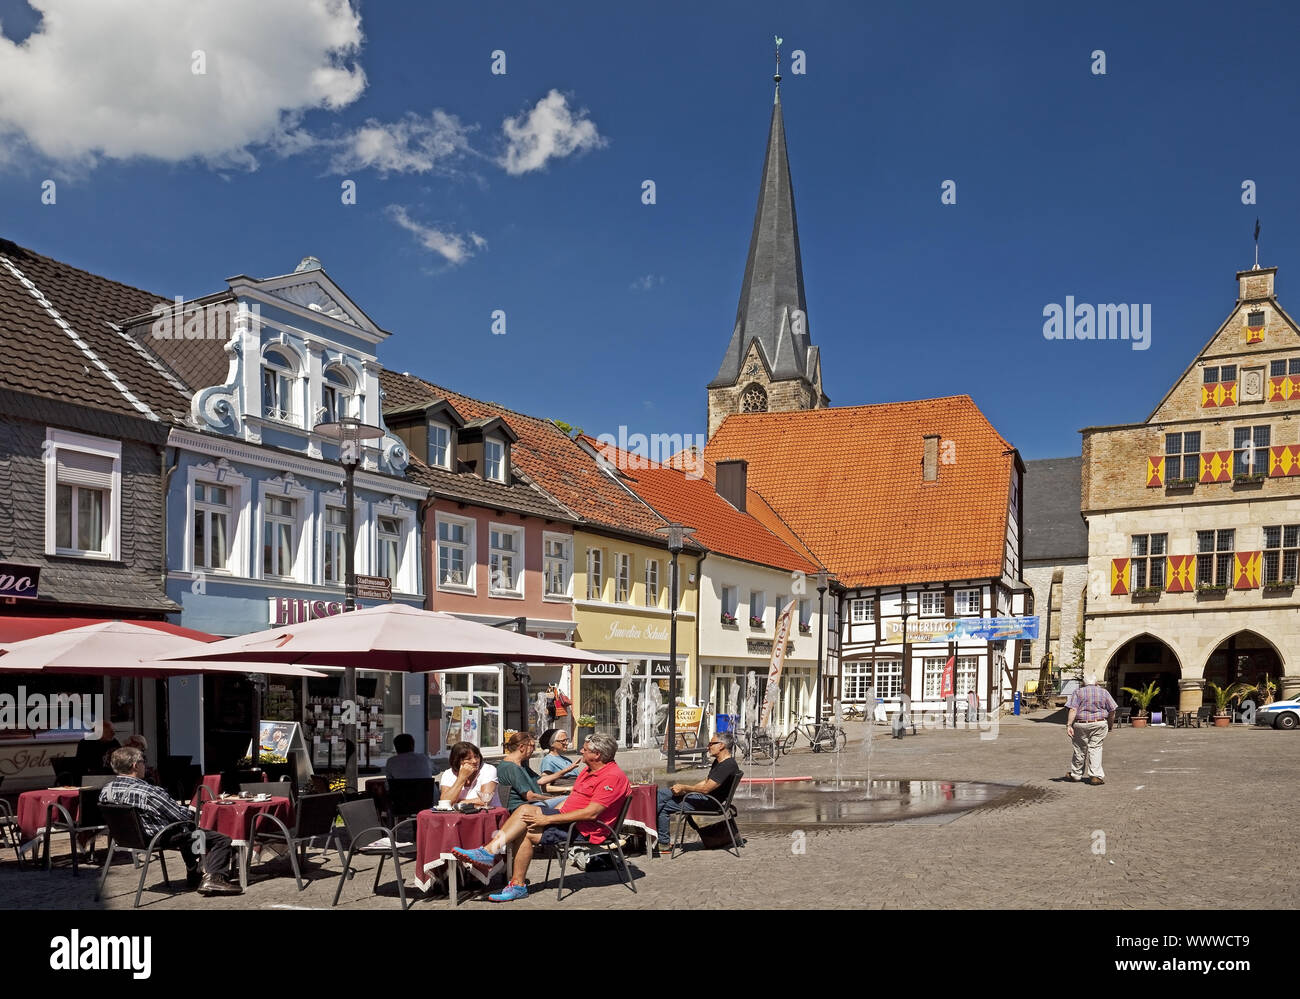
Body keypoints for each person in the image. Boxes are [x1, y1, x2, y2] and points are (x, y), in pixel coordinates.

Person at [452, 732, 630, 903]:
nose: (581, 751)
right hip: (569, 818)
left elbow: (591, 813)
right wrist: (549, 812)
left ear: (597, 754)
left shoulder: (611, 776)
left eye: (585, 749)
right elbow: (573, 800)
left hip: (585, 828)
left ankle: (509, 876)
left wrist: (547, 819)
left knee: (526, 827)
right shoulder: (588, 770)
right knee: (525, 811)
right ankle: (494, 860)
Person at [98, 746, 241, 895]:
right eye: (143, 761)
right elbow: (180, 816)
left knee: (189, 833)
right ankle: (215, 879)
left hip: (126, 839)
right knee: (220, 839)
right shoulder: (149, 792)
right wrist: (195, 812)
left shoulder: (106, 790)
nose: (145, 765)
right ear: (135, 765)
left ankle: (194, 875)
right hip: (157, 837)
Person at [655, 731, 740, 849]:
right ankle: (659, 840)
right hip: (707, 799)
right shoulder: (720, 762)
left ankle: (646, 831)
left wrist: (685, 788)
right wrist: (686, 790)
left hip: (710, 803)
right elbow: (705, 782)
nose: (708, 747)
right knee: (662, 795)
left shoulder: (727, 766)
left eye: (711, 744)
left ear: (721, 745)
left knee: (662, 802)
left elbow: (706, 789)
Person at [494, 731, 579, 811]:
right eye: (532, 746)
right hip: (522, 807)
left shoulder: (520, 764)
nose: (533, 750)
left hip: (530, 803)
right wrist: (553, 799)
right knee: (569, 799)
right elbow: (530, 796)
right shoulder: (512, 768)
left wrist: (567, 770)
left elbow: (540, 780)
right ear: (521, 747)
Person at [1065, 672, 1118, 786]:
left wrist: (1069, 725)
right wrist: (1110, 724)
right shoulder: (1104, 692)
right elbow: (1112, 710)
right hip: (1099, 723)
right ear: (1096, 682)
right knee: (1095, 748)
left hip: (1081, 724)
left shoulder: (1078, 692)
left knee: (1079, 749)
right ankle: (1095, 775)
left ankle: (1076, 774)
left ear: (1084, 683)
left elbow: (1073, 709)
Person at [439, 741, 500, 807]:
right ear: (457, 761)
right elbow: (444, 802)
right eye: (468, 759)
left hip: (486, 814)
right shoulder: (448, 774)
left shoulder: (488, 769)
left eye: (476, 757)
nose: (474, 761)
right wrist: (461, 778)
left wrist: (460, 802)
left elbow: (485, 800)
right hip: (457, 815)